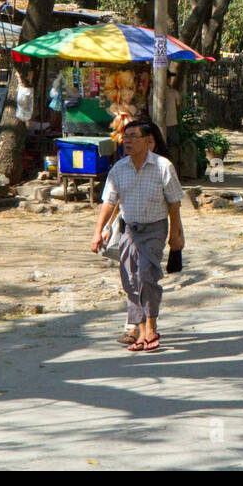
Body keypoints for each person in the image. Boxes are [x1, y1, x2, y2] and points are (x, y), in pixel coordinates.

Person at [90, 120, 185, 352]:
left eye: (133, 136)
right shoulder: (119, 169)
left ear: (148, 141)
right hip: (129, 230)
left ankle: (151, 327)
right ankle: (140, 330)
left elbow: (174, 204)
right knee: (129, 279)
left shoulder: (163, 167)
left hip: (154, 229)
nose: (128, 141)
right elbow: (109, 202)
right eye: (126, 136)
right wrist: (98, 231)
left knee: (146, 274)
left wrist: (176, 233)